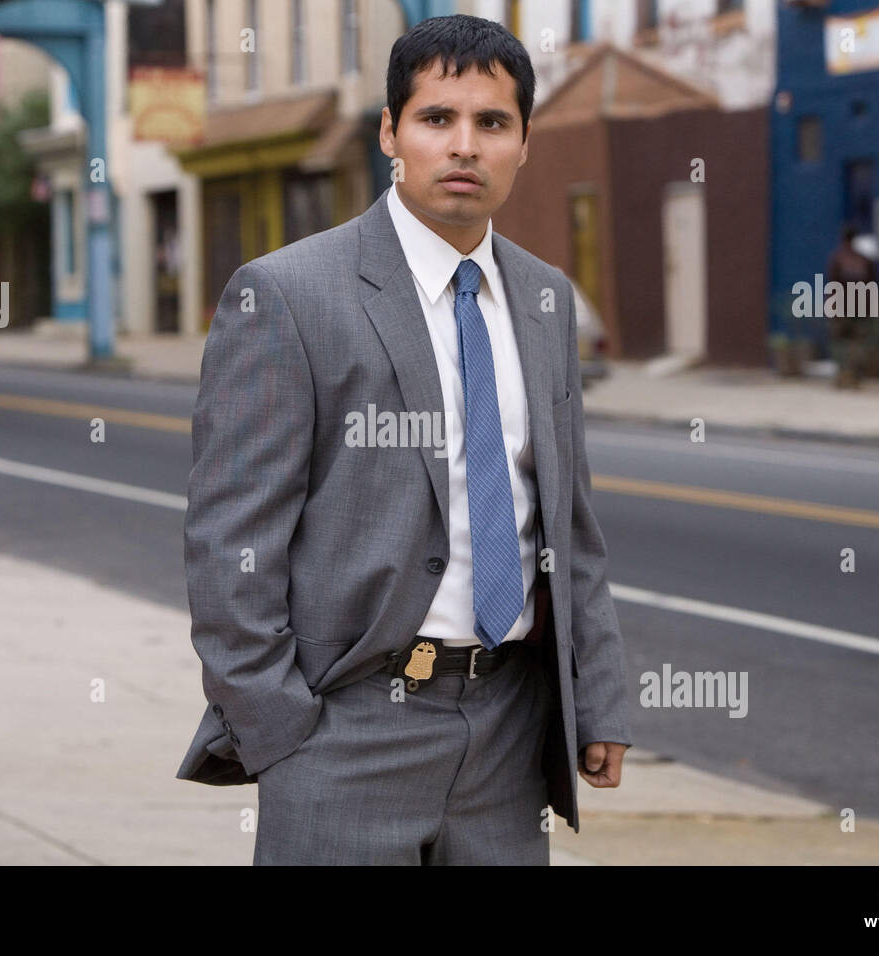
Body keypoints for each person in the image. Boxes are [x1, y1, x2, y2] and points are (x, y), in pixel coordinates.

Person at [176, 14, 634, 865]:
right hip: (345, 732)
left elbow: (571, 527)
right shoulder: (287, 295)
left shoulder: (544, 298)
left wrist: (598, 697)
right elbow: (228, 542)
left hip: (508, 734)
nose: (465, 145)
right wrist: (282, 728)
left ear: (524, 142)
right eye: (436, 119)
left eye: (492, 123)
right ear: (391, 132)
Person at [825, 223, 877, 388]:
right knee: (857, 343)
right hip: (861, 308)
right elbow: (873, 286)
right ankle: (854, 377)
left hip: (842, 308)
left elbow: (832, 285)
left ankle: (842, 376)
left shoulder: (838, 259)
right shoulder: (865, 261)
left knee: (840, 344)